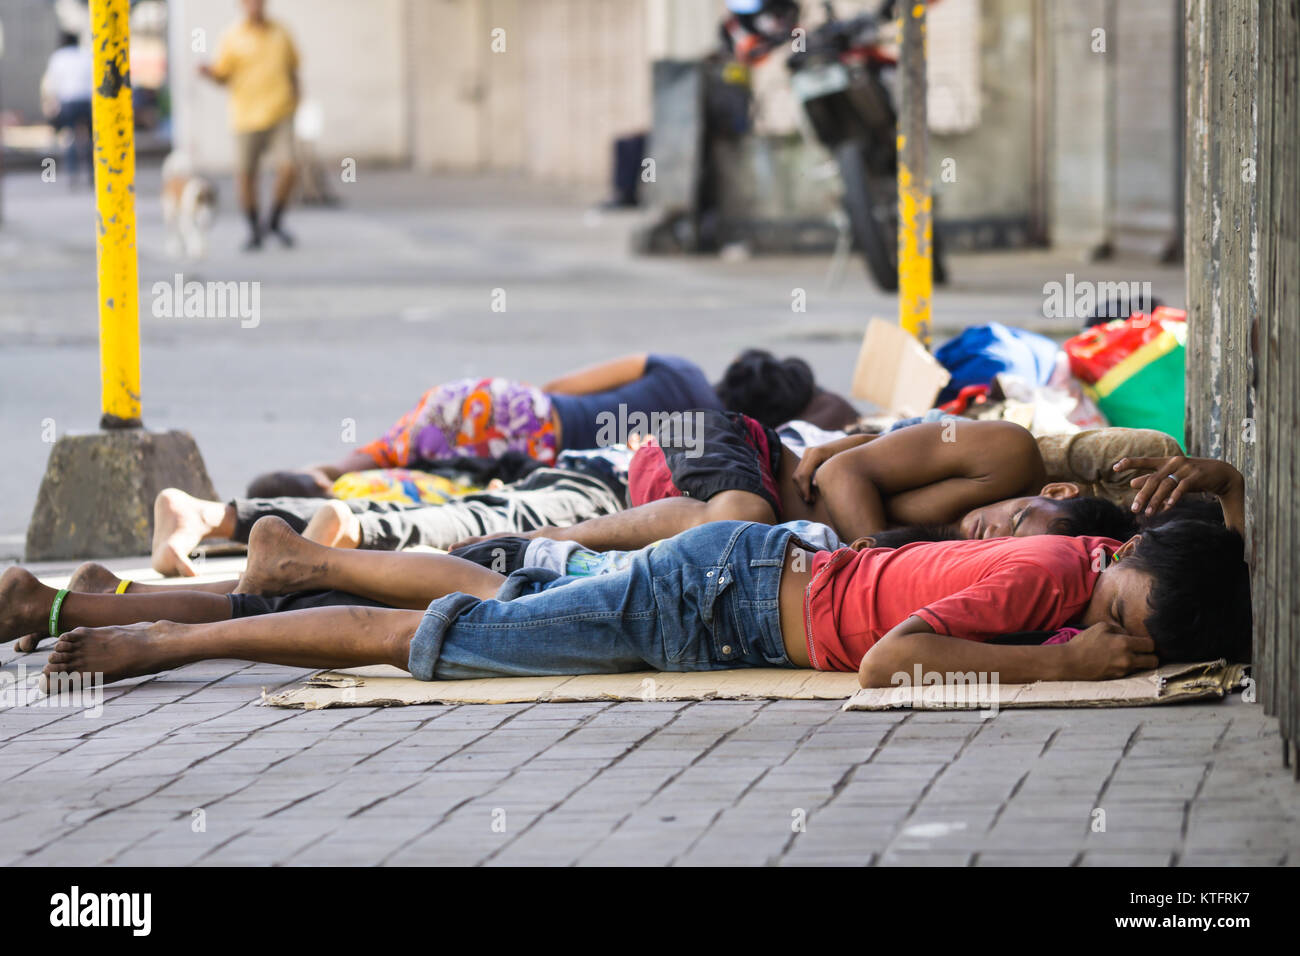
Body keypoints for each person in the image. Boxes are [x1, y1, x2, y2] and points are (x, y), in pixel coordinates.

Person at [6, 458, 1250, 684]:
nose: (1116, 631)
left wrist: (1219, 491)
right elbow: (891, 663)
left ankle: (286, 560)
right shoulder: (1053, 576)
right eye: (1126, 615)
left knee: (489, 598)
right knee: (425, 643)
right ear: (1122, 561)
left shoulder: (1105, 548)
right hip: (702, 604)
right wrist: (1063, 665)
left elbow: (1210, 544)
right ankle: (155, 640)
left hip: (733, 574)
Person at [199, 0, 300, 250]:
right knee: (246, 175)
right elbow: (223, 76)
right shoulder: (231, 37)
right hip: (246, 115)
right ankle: (254, 228)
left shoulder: (281, 32)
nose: (254, 5)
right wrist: (209, 73)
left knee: (289, 168)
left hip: (280, 112)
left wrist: (298, 101)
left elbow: (293, 69)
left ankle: (274, 220)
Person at [41, 32, 93, 188]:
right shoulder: (86, 55)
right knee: (90, 139)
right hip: (87, 100)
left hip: (68, 101)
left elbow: (51, 84)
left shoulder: (58, 57)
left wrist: (50, 103)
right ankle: (93, 173)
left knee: (70, 137)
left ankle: (72, 174)